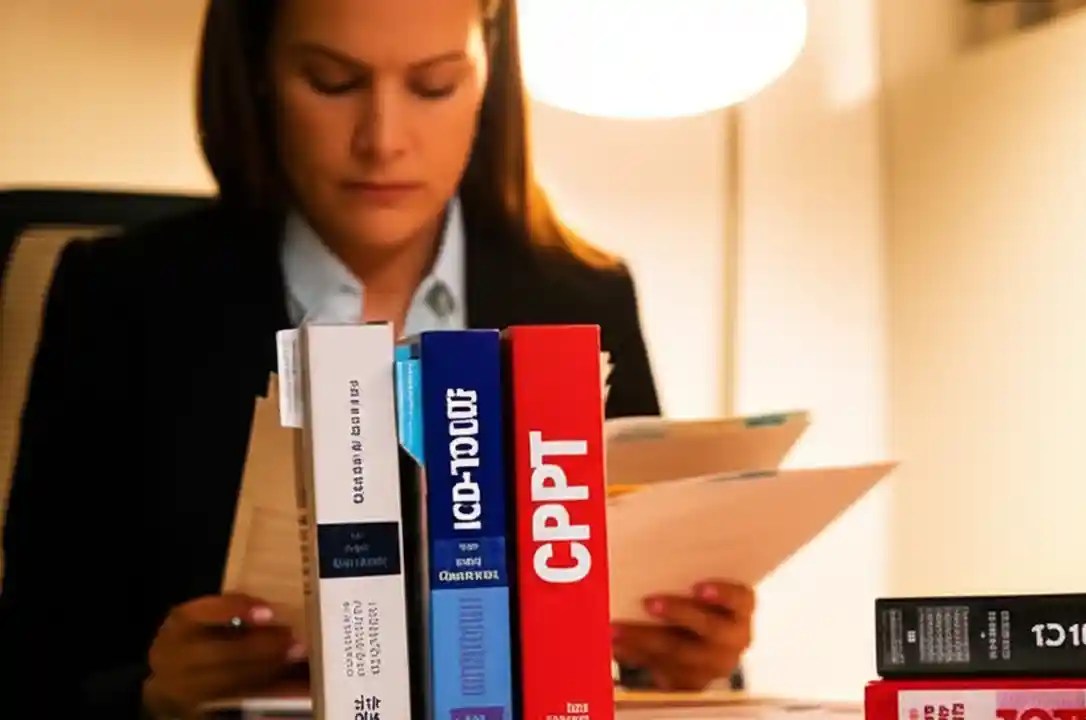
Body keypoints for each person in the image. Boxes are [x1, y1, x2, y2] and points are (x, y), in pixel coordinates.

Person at [0, 0, 754, 717]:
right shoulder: (121, 297)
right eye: (333, 83)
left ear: (487, 76)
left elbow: (645, 614)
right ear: (258, 72)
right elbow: (37, 659)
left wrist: (689, 657)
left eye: (433, 85)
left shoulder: (582, 299)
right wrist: (153, 693)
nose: (383, 139)